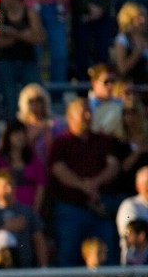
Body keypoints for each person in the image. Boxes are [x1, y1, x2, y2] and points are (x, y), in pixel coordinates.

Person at [47, 97, 121, 266]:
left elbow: (113, 166)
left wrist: (95, 183)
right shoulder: (61, 142)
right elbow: (58, 170)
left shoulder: (102, 140)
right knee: (68, 254)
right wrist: (83, 186)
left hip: (99, 207)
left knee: (106, 254)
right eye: (83, 112)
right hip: (70, 208)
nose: (88, 116)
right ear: (70, 116)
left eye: (89, 111)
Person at [0, 0, 46, 121]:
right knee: (10, 99)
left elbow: (39, 38)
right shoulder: (1, 15)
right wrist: (25, 35)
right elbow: (0, 43)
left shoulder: (30, 13)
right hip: (7, 61)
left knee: (35, 95)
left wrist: (14, 34)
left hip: (28, 61)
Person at [0, 170, 50, 269]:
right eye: (5, 186)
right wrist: (6, 228)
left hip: (25, 270)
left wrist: (43, 268)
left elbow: (39, 240)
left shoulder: (27, 211)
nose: (10, 189)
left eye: (12, 185)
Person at [0, 118, 47, 213]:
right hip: (5, 213)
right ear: (8, 136)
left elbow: (41, 187)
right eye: (16, 133)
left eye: (23, 133)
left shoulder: (34, 160)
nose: (21, 137)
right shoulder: (0, 160)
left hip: (30, 211)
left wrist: (35, 212)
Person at [114, 1, 148, 84]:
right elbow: (122, 69)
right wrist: (137, 52)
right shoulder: (122, 39)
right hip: (131, 87)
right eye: (139, 17)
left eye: (144, 16)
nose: (143, 20)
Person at [117, 165, 148, 257]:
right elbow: (133, 237)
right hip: (135, 266)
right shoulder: (129, 205)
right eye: (146, 183)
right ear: (138, 186)